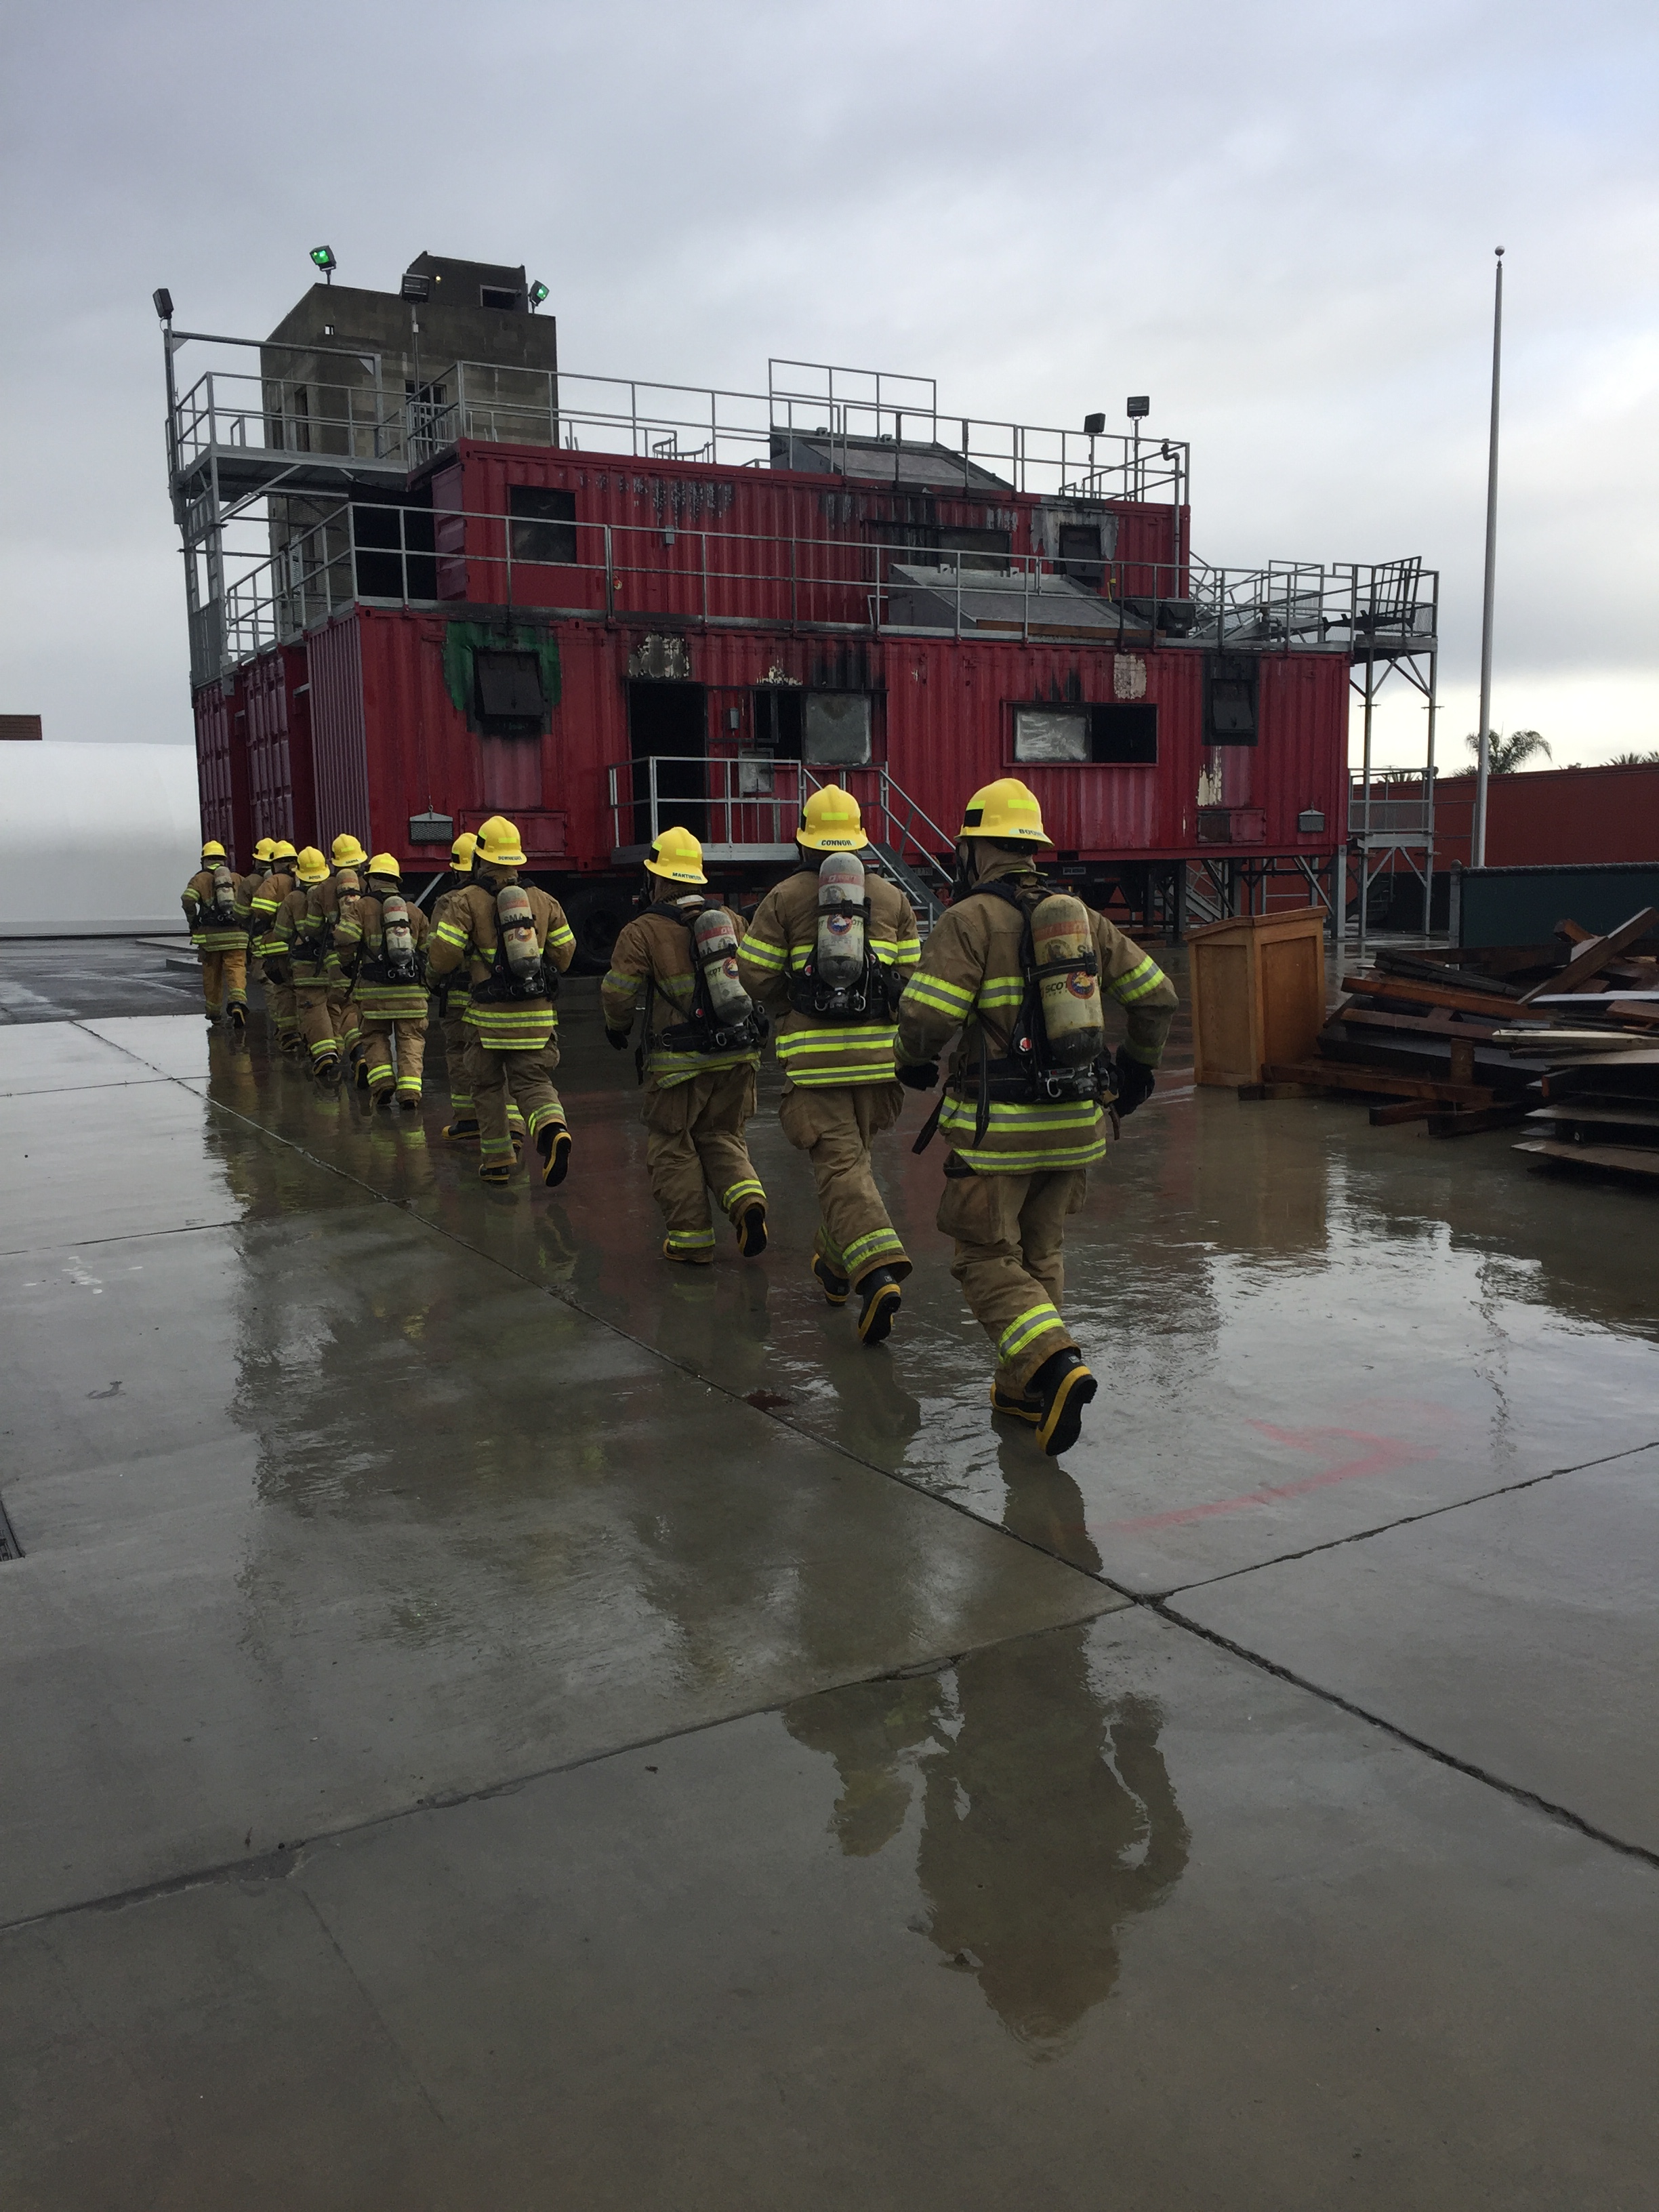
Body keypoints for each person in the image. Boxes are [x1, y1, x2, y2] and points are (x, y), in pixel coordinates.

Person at [895, 777, 1177, 1456]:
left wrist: (911, 1059)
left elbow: (928, 1016)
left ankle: (1052, 1362)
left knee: (986, 1257)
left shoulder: (968, 920)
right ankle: (1023, 1390)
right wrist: (1137, 1068)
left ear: (979, 848)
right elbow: (1157, 996)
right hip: (1078, 1123)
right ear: (1032, 846)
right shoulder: (1079, 916)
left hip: (999, 1132)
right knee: (1039, 1252)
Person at [737, 787, 920, 1345]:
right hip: (879, 1061)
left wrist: (788, 1004)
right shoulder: (891, 898)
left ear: (804, 837)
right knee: (854, 1164)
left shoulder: (785, 897)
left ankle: (877, 1270)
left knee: (841, 1170)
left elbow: (754, 975)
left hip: (816, 1063)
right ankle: (835, 1266)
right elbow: (910, 981)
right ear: (860, 838)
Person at [600, 826, 767, 1265]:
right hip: (738, 1049)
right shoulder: (731, 920)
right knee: (722, 1134)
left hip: (678, 1062)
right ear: (696, 877)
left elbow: (618, 993)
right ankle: (746, 1200)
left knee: (672, 1146)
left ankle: (691, 1242)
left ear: (657, 878)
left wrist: (616, 1028)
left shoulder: (642, 930)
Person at [425, 815, 577, 1185]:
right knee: (532, 1082)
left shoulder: (466, 900)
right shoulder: (543, 900)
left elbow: (442, 958)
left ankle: (496, 1162)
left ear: (480, 858)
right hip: (538, 1016)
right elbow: (566, 955)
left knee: (488, 1086)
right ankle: (552, 1127)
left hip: (489, 1019)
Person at [333, 853, 431, 1108]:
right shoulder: (414, 911)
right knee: (411, 1039)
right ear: (396, 881)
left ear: (370, 879)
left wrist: (346, 964)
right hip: (411, 991)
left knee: (375, 1035)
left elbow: (345, 938)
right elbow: (427, 948)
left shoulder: (361, 906)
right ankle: (410, 1091)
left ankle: (383, 1083)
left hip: (374, 991)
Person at [429, 832, 485, 1142]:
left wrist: (431, 980)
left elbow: (437, 950)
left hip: (458, 993)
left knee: (459, 1052)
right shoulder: (501, 897)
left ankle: (467, 1119)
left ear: (456, 867)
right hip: (491, 994)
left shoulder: (451, 901)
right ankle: (512, 1124)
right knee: (497, 1057)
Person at [302, 834, 368, 1079]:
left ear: (334, 861)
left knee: (342, 1005)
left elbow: (312, 928)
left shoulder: (323, 889)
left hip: (337, 960)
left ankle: (357, 1051)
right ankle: (362, 1053)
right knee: (358, 1008)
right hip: (367, 960)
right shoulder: (367, 884)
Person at [270, 847, 336, 1073]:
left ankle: (324, 1054)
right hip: (335, 963)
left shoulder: (293, 898)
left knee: (313, 1009)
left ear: (298, 873)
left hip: (306, 966)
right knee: (336, 1007)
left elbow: (280, 933)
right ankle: (349, 1050)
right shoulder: (335, 893)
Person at [180, 838, 250, 1031]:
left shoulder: (200, 879)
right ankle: (237, 1003)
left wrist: (193, 920)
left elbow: (187, 899)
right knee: (236, 969)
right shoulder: (237, 878)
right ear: (224, 859)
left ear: (204, 860)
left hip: (211, 938)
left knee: (212, 974)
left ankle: (214, 1013)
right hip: (237, 935)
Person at [248, 840, 301, 1053]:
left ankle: (288, 1033)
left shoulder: (275, 881)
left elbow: (260, 910)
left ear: (275, 863)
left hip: (278, 945)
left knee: (282, 989)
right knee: (308, 993)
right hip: (303, 947)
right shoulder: (306, 880)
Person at [239, 838, 276, 992]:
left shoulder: (250, 882)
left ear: (257, 860)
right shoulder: (287, 880)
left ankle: (276, 1016)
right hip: (286, 940)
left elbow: (240, 913)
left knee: (268, 981)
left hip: (261, 941)